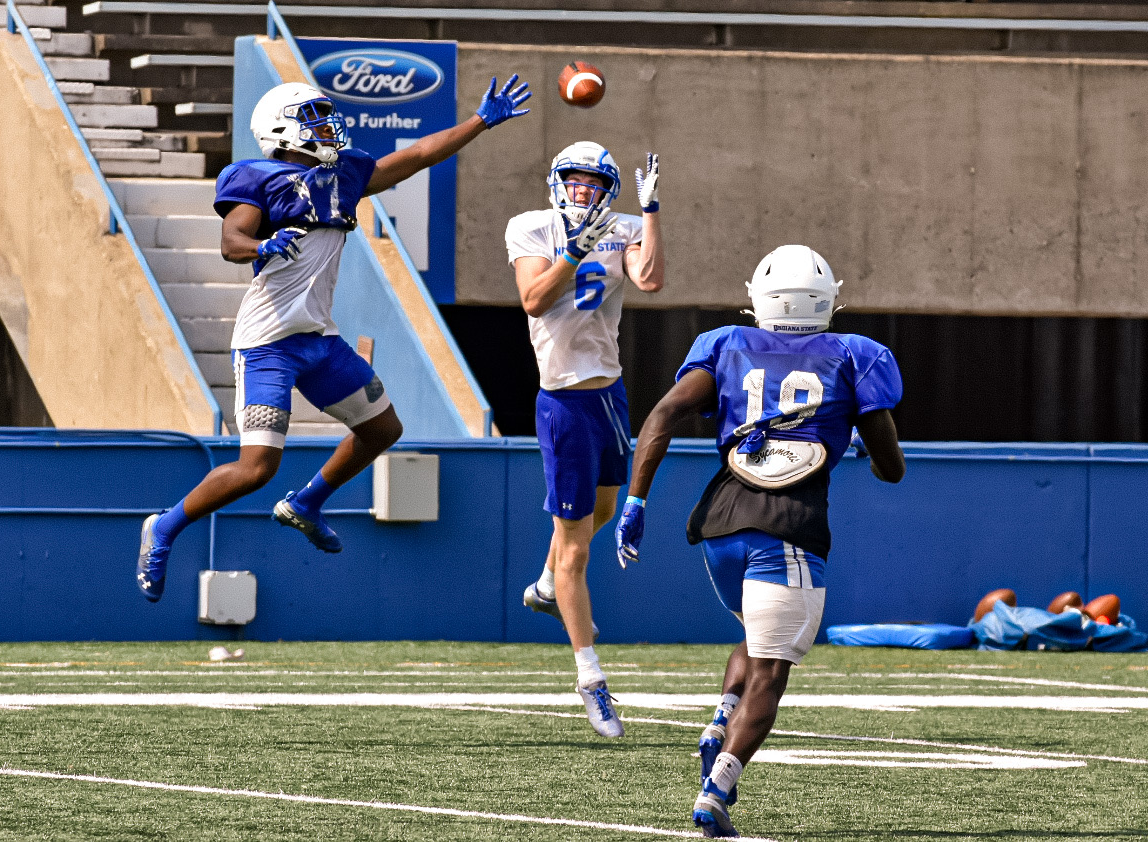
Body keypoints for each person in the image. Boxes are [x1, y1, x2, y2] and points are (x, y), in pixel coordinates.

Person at [136, 76, 531, 602]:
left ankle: (306, 503)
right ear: (282, 130)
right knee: (257, 468)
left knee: (383, 429)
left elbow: (415, 155)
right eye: (313, 117)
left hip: (320, 338)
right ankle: (163, 527)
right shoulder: (260, 176)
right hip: (268, 344)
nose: (327, 126)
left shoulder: (341, 176)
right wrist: (261, 245)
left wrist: (479, 122)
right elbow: (231, 240)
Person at [613, 244, 905, 837]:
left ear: (759, 298)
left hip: (719, 525)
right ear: (827, 299)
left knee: (752, 635)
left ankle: (722, 715)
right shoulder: (856, 354)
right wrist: (861, 456)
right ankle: (717, 789)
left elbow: (663, 415)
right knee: (772, 675)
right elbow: (891, 465)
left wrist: (637, 500)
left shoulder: (723, 344)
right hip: (789, 526)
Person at [505, 141, 665, 736]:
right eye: (573, 180)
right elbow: (534, 299)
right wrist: (574, 247)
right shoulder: (531, 227)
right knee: (575, 550)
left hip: (610, 393)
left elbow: (649, 280)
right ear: (555, 182)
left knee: (599, 510)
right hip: (564, 402)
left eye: (593, 182)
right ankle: (591, 681)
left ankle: (547, 584)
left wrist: (651, 213)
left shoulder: (623, 225)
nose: (582, 191)